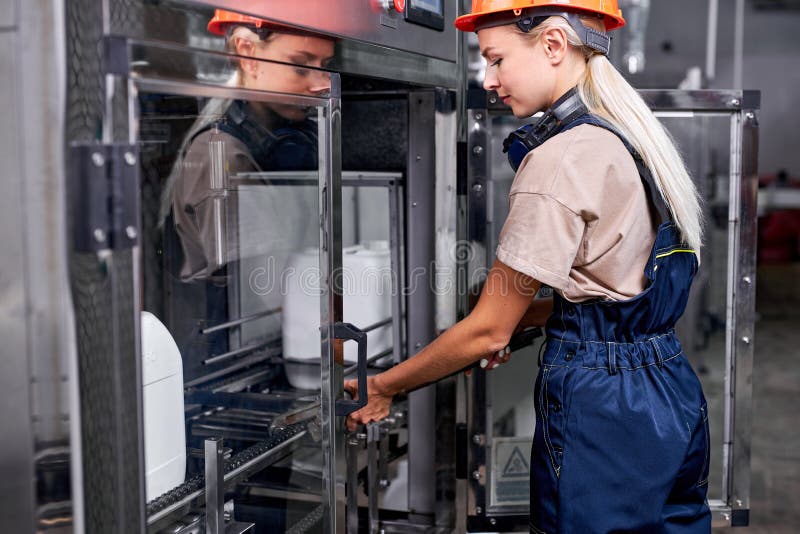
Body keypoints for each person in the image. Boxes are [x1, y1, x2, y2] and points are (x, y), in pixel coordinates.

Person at [344, 1, 711, 532]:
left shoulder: (561, 158)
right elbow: (614, 291)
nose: (489, 80)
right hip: (669, 388)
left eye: (496, 59)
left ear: (554, 45)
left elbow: (486, 332)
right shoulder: (628, 135)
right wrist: (530, 316)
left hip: (603, 410)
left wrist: (386, 386)